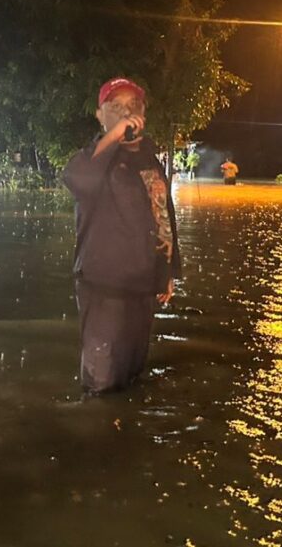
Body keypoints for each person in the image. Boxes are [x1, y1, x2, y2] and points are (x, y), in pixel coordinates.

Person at [62, 77, 181, 394]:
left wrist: (167, 270)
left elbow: (162, 213)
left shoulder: (150, 159)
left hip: (143, 286)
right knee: (101, 384)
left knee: (131, 377)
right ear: (99, 115)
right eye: (115, 107)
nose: (126, 113)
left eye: (134, 106)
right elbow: (74, 178)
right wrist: (113, 136)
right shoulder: (97, 159)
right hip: (105, 288)